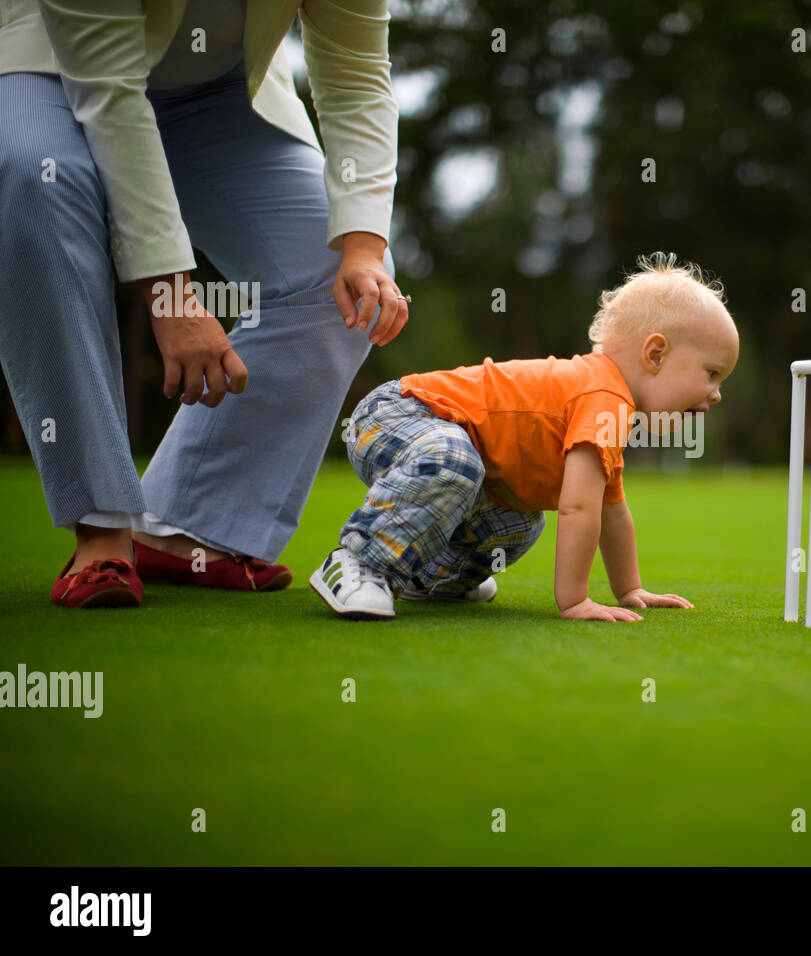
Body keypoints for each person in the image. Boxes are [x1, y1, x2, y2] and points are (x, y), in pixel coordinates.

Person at [0, 0, 407, 608]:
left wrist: (365, 249)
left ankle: (183, 529)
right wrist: (171, 294)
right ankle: (101, 526)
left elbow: (356, 78)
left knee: (337, 269)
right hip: (54, 62)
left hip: (215, 89)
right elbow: (110, 90)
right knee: (32, 179)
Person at [309, 253, 740, 622]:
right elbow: (577, 508)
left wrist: (630, 589)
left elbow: (612, 512)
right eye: (712, 374)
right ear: (656, 353)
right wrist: (574, 600)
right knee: (455, 460)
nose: (717, 395)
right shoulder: (603, 394)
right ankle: (359, 562)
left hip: (434, 440)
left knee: (520, 521)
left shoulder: (609, 408)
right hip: (398, 414)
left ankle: (431, 577)